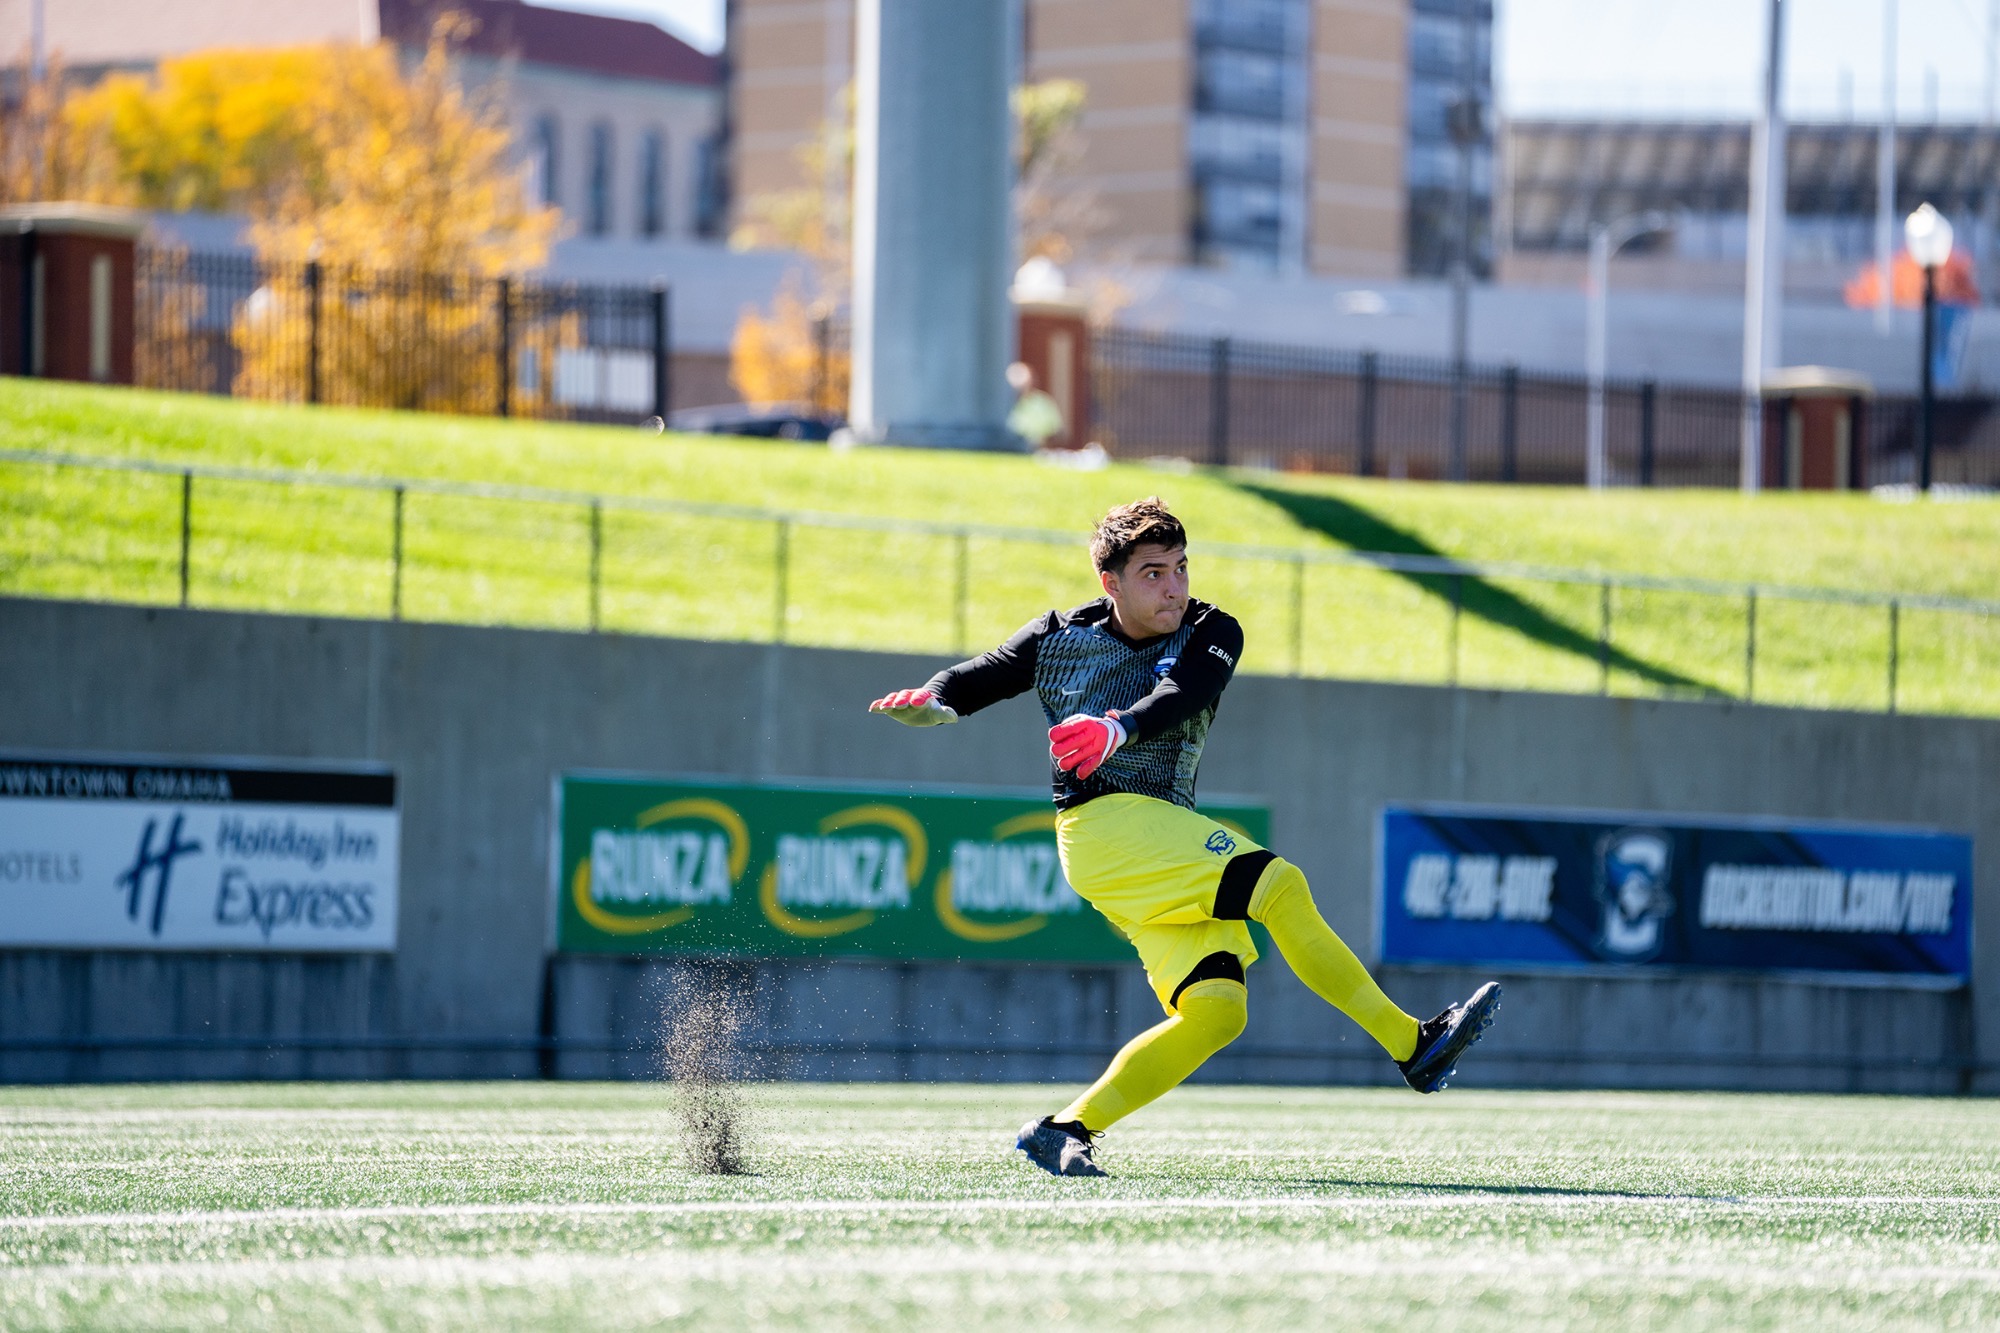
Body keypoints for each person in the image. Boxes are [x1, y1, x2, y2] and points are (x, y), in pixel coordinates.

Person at [869, 497, 1501, 1178]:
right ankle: (1414, 1044)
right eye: (1152, 573)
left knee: (1217, 1010)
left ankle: (1063, 1128)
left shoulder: (1212, 629)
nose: (1173, 586)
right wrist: (933, 702)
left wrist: (1119, 727)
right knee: (1279, 886)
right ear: (1109, 582)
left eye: (1179, 568)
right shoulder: (1059, 636)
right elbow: (977, 675)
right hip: (1104, 828)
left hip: (1154, 839)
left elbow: (1186, 692)